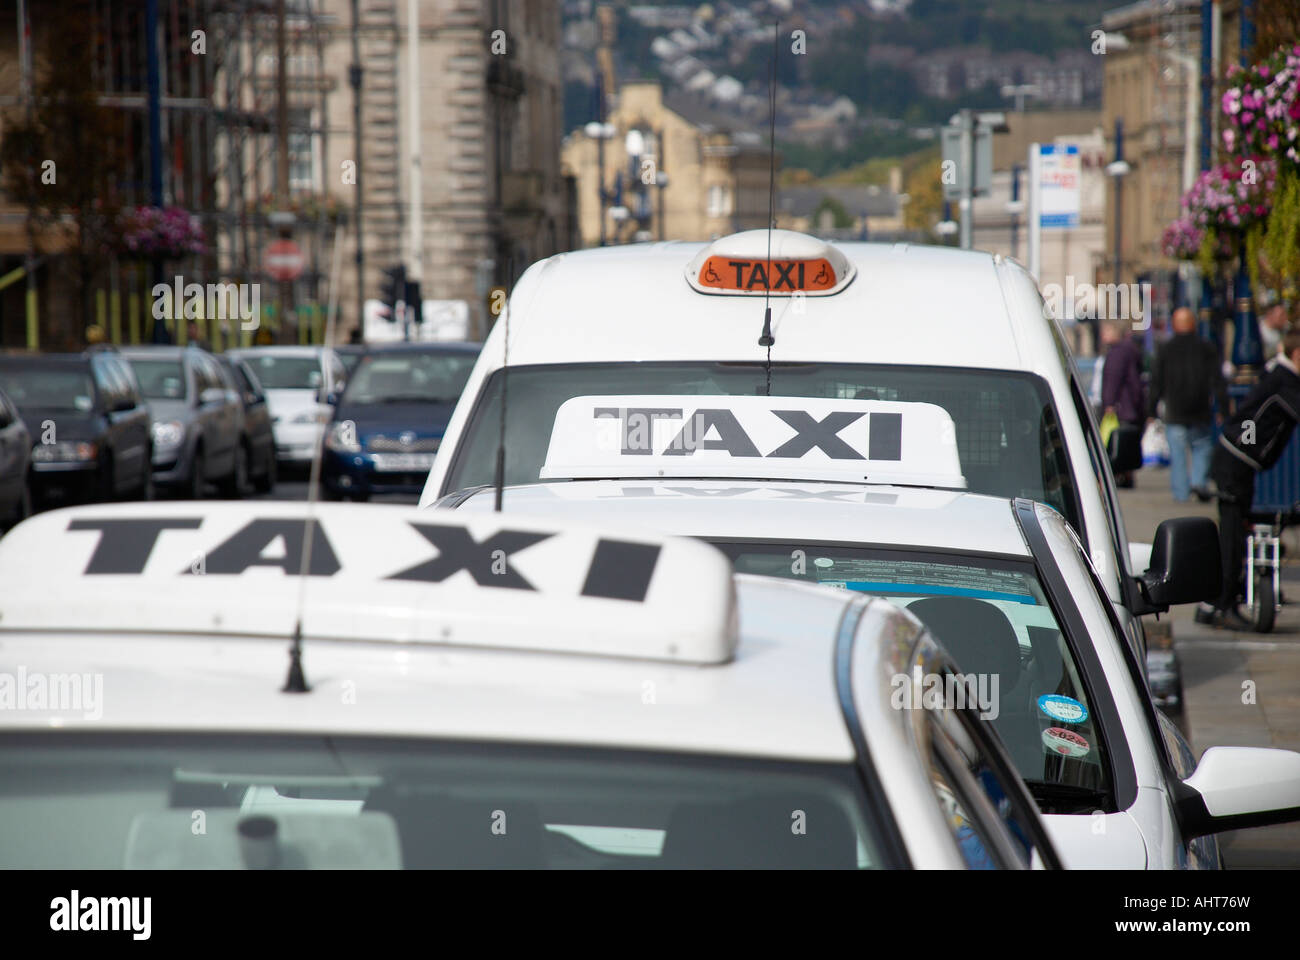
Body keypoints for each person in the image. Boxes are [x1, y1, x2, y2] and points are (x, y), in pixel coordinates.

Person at [1198, 329, 1300, 629]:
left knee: (1235, 535)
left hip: (1239, 461)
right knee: (1231, 540)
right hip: (1235, 462)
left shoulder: (1281, 374)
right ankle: (1223, 607)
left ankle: (1211, 605)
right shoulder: (1286, 380)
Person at [1147, 306, 1227, 502]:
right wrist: (1222, 408)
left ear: (1174, 325)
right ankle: (1199, 482)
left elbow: (1156, 381)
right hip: (1200, 410)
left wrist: (1150, 410)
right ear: (1193, 325)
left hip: (1175, 411)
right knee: (1202, 448)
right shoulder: (1206, 347)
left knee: (1178, 456)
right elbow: (1218, 380)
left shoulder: (1166, 348)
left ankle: (1181, 494)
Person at [1100, 319, 1145, 488]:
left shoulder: (1117, 352)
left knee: (1117, 443)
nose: (1103, 334)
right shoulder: (1131, 349)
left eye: (1107, 330)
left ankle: (1119, 476)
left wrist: (1109, 403)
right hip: (1131, 406)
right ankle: (1126, 475)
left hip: (1120, 407)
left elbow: (1113, 378)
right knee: (1126, 443)